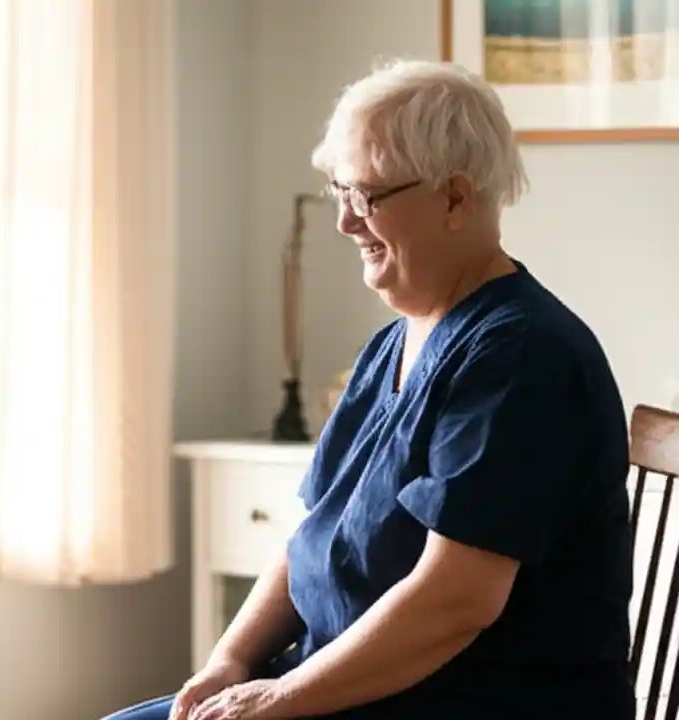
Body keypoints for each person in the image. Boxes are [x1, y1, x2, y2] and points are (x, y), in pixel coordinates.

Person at [105, 59, 633, 719]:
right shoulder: (396, 342)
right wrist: (230, 660)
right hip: (338, 691)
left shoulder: (522, 358)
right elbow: (310, 540)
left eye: (368, 196)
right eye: (339, 192)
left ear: (455, 198)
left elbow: (455, 602)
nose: (346, 223)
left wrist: (279, 696)